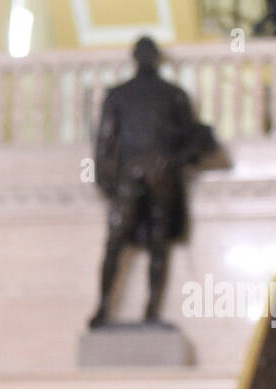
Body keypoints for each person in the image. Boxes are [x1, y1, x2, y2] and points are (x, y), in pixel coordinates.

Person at [90, 36, 215, 327]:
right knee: (117, 241)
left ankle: (149, 311)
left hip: (158, 178)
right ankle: (103, 308)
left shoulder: (173, 95)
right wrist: (104, 178)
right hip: (132, 179)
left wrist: (176, 159)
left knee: (155, 243)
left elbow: (193, 138)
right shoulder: (121, 95)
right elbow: (104, 141)